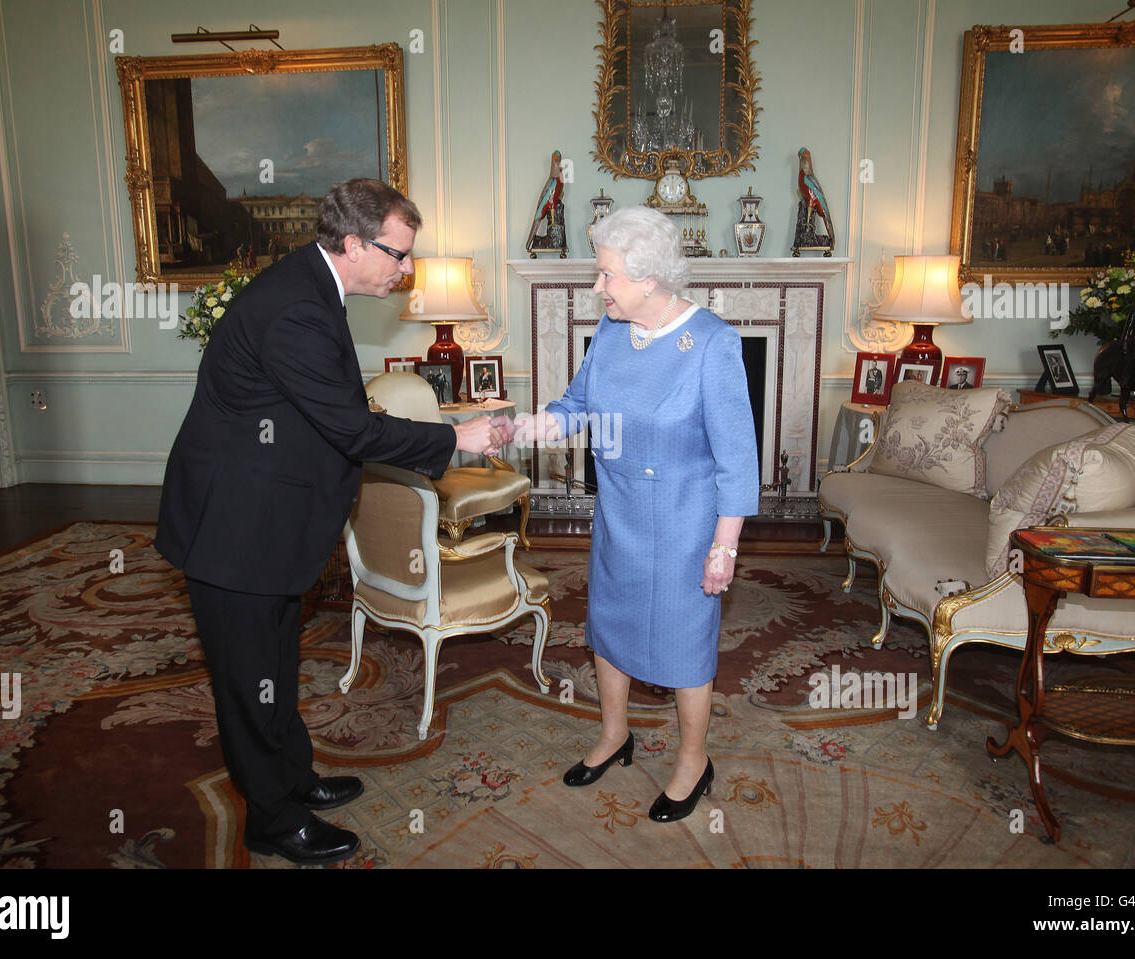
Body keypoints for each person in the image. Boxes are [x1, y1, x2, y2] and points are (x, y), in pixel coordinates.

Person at [155, 178, 508, 866]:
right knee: (248, 680)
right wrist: (455, 440)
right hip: (235, 529)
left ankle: (292, 779)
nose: (406, 270)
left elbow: (330, 415)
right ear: (353, 244)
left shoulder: (313, 288)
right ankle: (272, 819)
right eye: (398, 255)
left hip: (265, 521)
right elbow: (353, 430)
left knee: (274, 668)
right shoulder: (296, 308)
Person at [512, 207, 759, 823]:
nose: (599, 288)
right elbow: (576, 405)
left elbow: (737, 459)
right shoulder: (614, 333)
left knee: (684, 641)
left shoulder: (713, 344)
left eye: (607, 276)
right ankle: (615, 734)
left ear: (648, 279)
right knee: (611, 626)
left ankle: (694, 759)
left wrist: (724, 547)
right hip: (619, 511)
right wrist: (518, 426)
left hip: (686, 519)